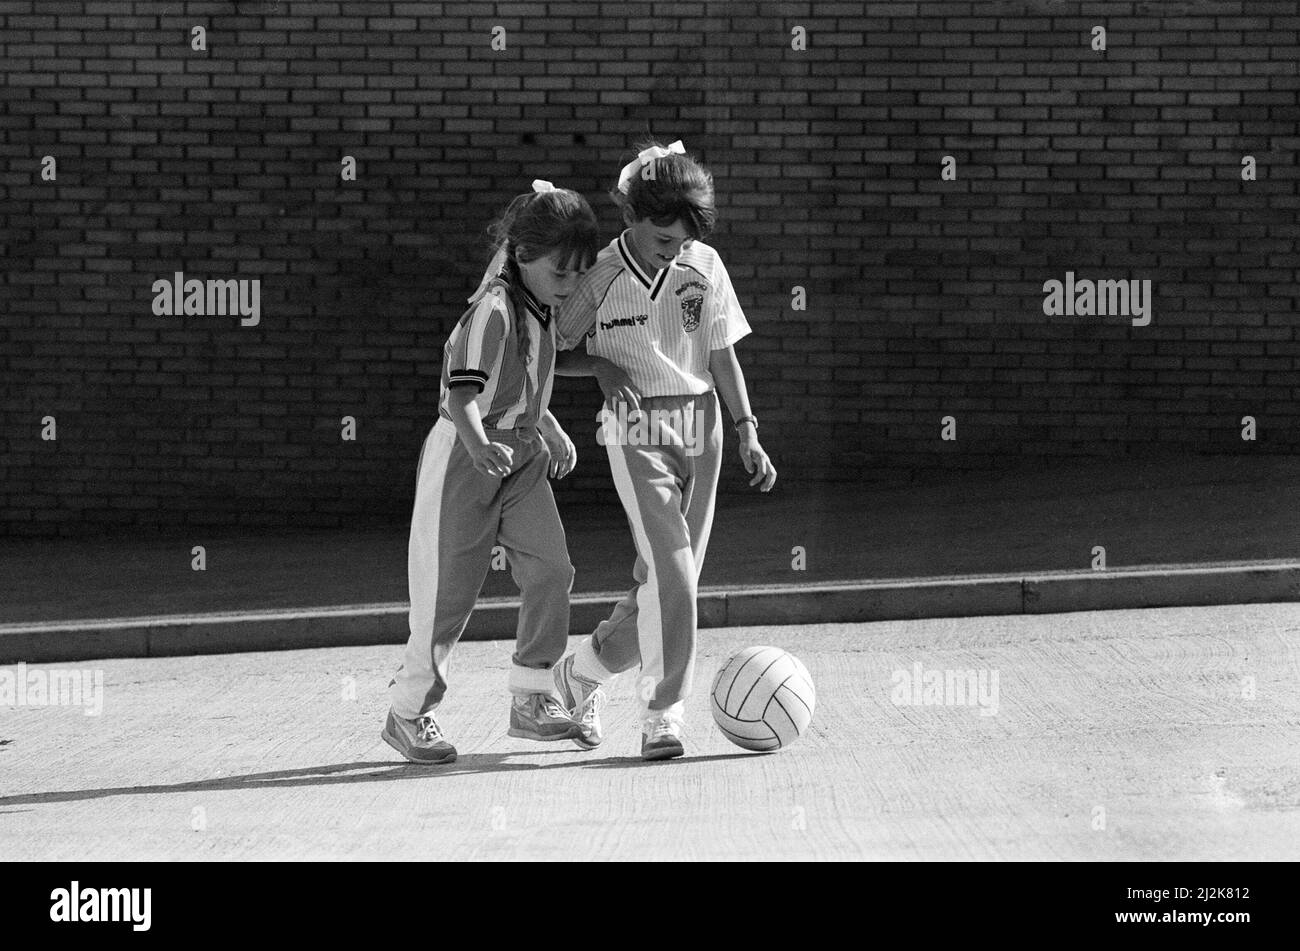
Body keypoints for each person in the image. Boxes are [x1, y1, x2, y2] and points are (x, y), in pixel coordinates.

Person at [551, 140, 778, 761]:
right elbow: (549, 352)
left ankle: (582, 673)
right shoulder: (597, 277)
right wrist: (598, 365)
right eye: (662, 239)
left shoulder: (705, 265)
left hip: (703, 429)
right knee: (674, 575)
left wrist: (748, 427)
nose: (674, 249)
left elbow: (721, 352)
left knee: (666, 584)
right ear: (629, 216)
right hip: (633, 430)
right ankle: (663, 715)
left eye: (682, 241)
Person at [382, 180, 600, 764]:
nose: (572, 284)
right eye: (563, 273)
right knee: (446, 599)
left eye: (580, 273)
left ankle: (532, 697)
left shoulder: (538, 307)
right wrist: (479, 446)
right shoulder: (493, 310)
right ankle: (408, 713)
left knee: (553, 568)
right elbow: (462, 396)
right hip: (464, 458)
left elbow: (519, 381)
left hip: (520, 457)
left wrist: (545, 426)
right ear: (524, 255)